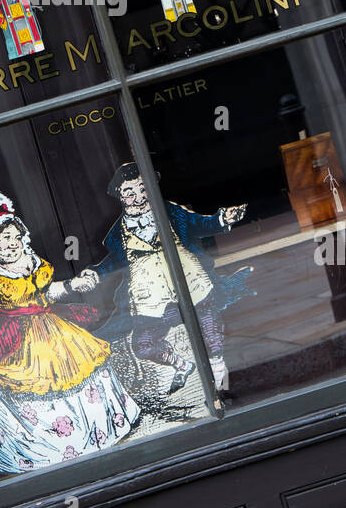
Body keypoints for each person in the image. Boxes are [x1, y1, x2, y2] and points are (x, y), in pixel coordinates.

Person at [0, 192, 140, 474]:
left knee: (81, 369)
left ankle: (96, 438)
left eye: (14, 236)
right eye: (3, 239)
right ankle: (54, 452)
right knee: (31, 383)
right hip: (14, 340)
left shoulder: (30, 260)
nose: (11, 244)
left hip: (51, 328)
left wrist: (74, 285)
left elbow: (48, 293)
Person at [92, 163, 254, 397]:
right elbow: (113, 263)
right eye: (129, 193)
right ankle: (181, 365)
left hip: (190, 283)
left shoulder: (171, 212)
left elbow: (202, 224)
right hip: (150, 298)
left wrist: (222, 219)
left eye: (142, 188)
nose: (138, 198)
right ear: (120, 196)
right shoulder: (118, 234)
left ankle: (221, 379)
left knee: (210, 331)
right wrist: (95, 273)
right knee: (144, 345)